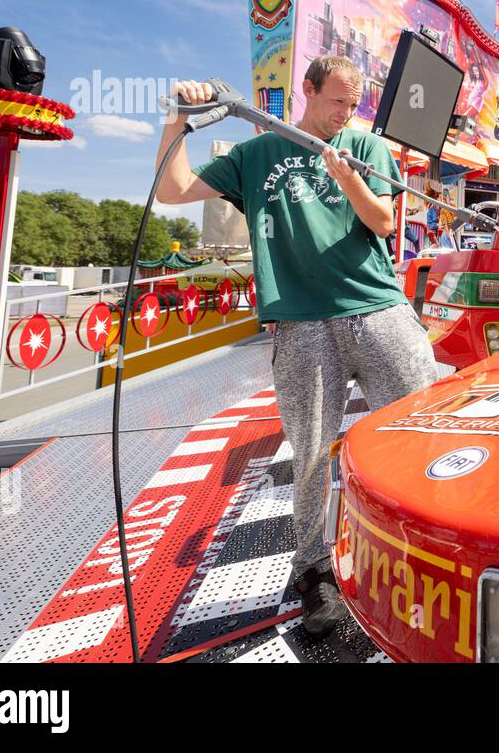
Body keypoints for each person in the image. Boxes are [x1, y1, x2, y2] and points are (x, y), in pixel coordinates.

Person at [154, 56, 437, 639]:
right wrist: (176, 118)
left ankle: (426, 552)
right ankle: (313, 573)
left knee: (419, 430)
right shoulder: (257, 153)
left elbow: (383, 222)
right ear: (306, 91)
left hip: (377, 310)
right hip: (301, 324)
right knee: (309, 454)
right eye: (337, 101)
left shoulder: (366, 148)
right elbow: (172, 189)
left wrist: (348, 176)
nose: (346, 112)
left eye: (353, 103)